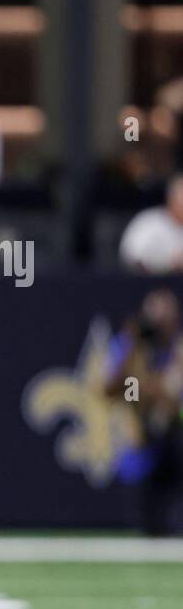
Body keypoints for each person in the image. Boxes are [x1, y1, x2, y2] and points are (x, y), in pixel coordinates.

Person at [102, 289, 183, 535]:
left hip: (176, 443)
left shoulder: (179, 350)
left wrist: (149, 384)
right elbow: (118, 392)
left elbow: (171, 400)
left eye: (165, 319)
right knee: (150, 527)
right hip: (144, 447)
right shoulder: (132, 349)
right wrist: (132, 350)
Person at [120, 174, 183, 274]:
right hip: (146, 282)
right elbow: (132, 256)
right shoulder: (148, 221)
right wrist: (168, 262)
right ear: (172, 199)